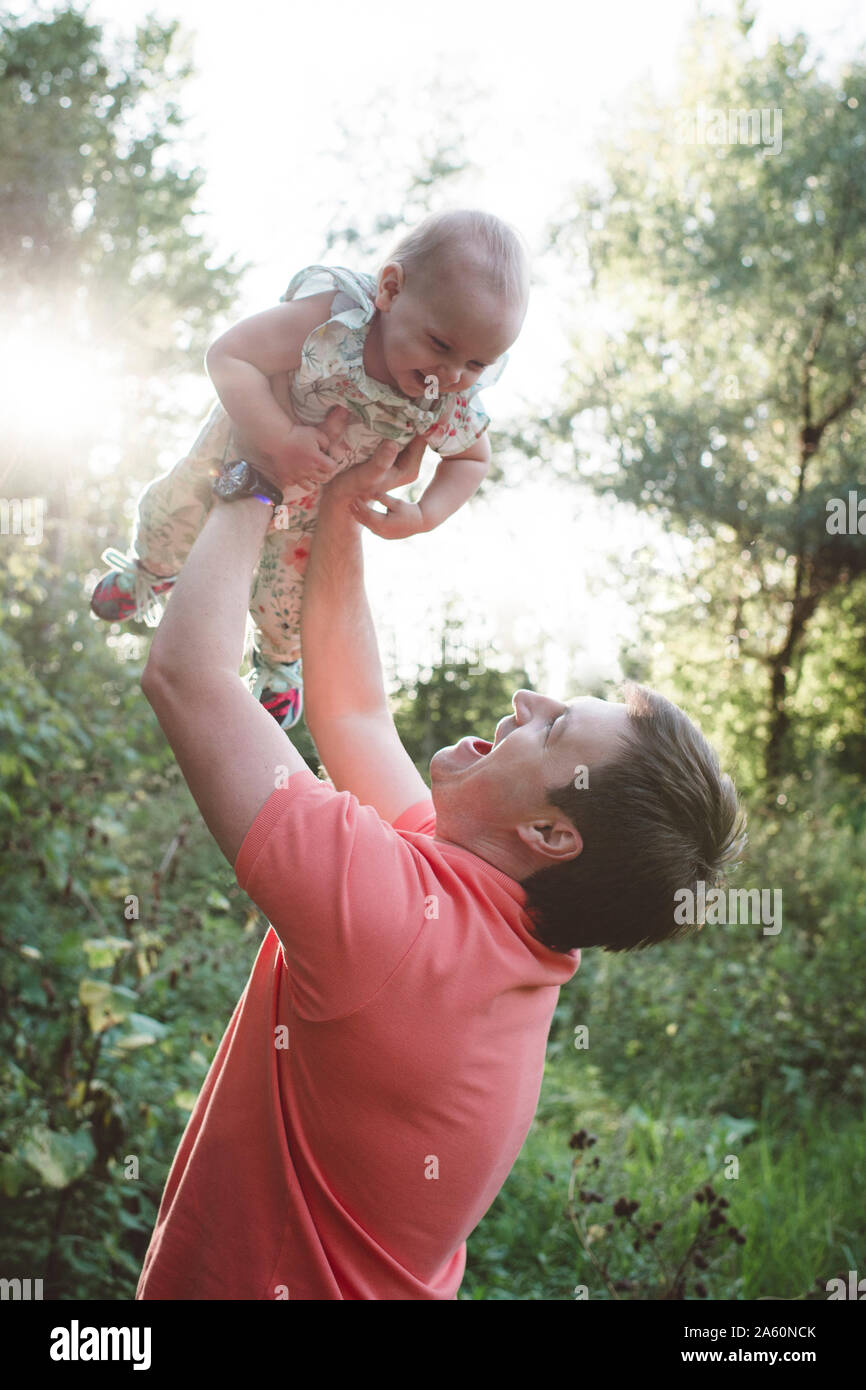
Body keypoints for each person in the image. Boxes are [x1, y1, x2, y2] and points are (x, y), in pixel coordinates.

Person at [135, 423, 745, 1301]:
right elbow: (354, 717)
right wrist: (340, 506)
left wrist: (258, 462)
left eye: (554, 726)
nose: (526, 699)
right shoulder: (479, 917)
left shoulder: (392, 923)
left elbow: (187, 676)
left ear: (550, 835)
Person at [91, 208, 529, 729]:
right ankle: (149, 570)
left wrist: (424, 514)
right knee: (180, 507)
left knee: (292, 591)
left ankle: (278, 666)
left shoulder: (448, 399)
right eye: (440, 345)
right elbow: (229, 355)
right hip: (237, 453)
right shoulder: (333, 322)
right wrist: (280, 438)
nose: (452, 374)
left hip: (314, 505)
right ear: (390, 290)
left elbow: (472, 458)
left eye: (477, 364)